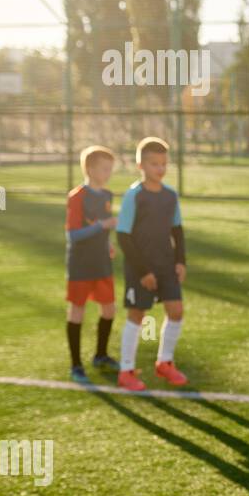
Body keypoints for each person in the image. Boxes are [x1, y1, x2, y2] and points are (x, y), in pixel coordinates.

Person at [115, 137, 188, 390]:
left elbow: (177, 231)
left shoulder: (170, 196)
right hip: (140, 268)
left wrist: (180, 261)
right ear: (141, 166)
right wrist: (143, 271)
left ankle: (164, 363)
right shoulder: (134, 196)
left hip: (166, 265)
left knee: (176, 311)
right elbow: (123, 235)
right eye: (154, 163)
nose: (160, 168)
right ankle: (126, 370)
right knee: (137, 314)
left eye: (163, 163)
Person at [64, 145, 119, 382]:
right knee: (77, 311)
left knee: (109, 309)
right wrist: (102, 227)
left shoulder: (107, 195)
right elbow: (73, 235)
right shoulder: (77, 197)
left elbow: (104, 227)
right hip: (80, 265)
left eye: (110, 169)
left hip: (102, 263)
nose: (108, 173)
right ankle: (76, 365)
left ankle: (101, 354)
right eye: (104, 169)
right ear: (89, 168)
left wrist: (106, 243)